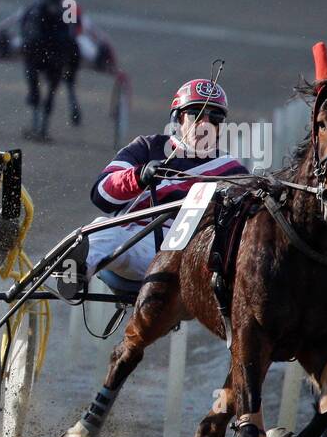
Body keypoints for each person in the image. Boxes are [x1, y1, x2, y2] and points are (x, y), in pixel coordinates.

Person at [84, 78, 247, 287]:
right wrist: (138, 177)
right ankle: (72, 275)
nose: (205, 123)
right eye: (195, 114)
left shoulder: (233, 170)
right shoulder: (147, 146)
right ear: (179, 118)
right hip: (130, 241)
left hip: (185, 258)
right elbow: (102, 195)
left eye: (214, 117)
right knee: (95, 229)